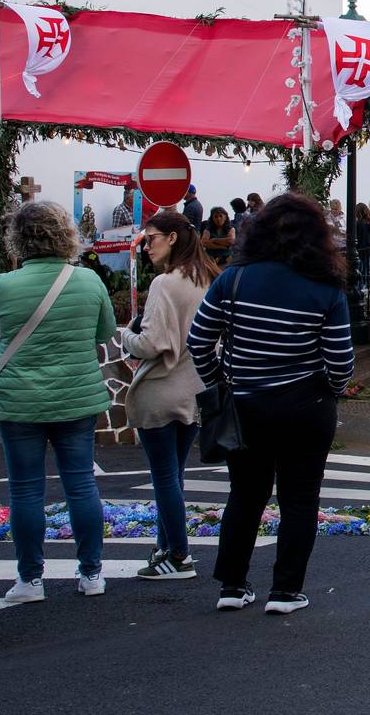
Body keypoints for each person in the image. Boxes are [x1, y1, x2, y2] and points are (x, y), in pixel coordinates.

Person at [186, 193, 352, 615]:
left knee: (245, 494)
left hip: (245, 407)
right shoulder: (325, 287)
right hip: (306, 407)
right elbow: (341, 362)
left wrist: (219, 381)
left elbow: (198, 340)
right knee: (299, 499)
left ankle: (232, 585)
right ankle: (285, 591)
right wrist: (329, 390)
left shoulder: (233, 279)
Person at [0, 200, 116, 604]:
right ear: (66, 236)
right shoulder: (88, 281)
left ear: (18, 240)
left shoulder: (4, 285)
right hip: (76, 395)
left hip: (19, 399)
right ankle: (92, 573)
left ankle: (30, 580)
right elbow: (105, 332)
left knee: (25, 490)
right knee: (81, 485)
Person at [122, 211, 218, 580]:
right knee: (174, 475)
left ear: (172, 238)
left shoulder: (165, 284)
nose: (146, 246)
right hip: (194, 389)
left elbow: (151, 344)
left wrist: (126, 335)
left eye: (151, 238)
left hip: (160, 389)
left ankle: (178, 553)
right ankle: (166, 549)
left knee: (164, 477)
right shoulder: (207, 279)